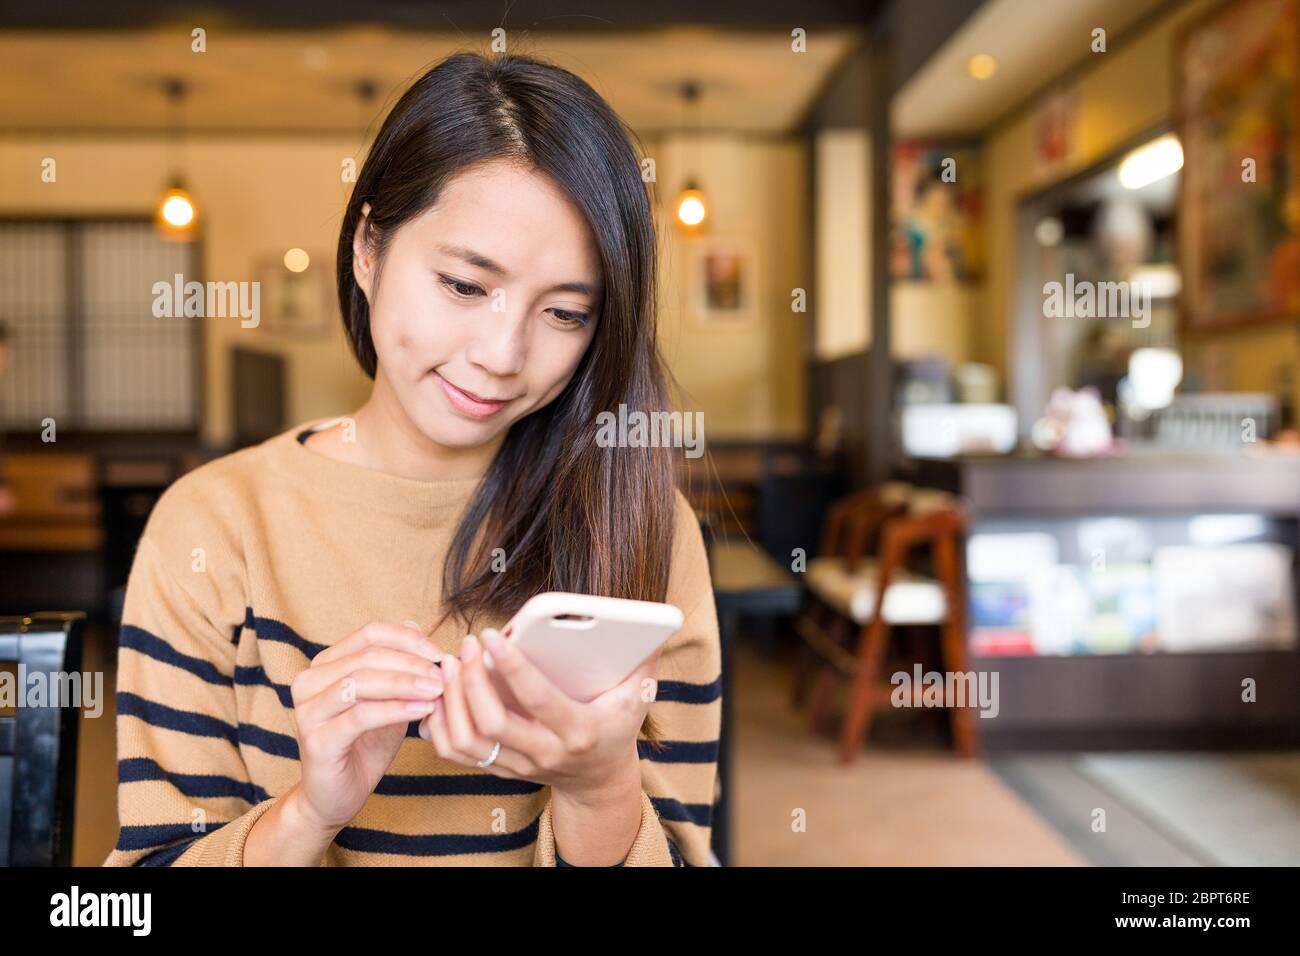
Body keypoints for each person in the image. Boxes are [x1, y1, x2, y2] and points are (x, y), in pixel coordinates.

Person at [105, 52, 721, 867]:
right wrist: (308, 811)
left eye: (566, 313)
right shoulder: (215, 525)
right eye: (465, 286)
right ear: (369, 248)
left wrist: (598, 790)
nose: (502, 354)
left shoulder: (643, 528)